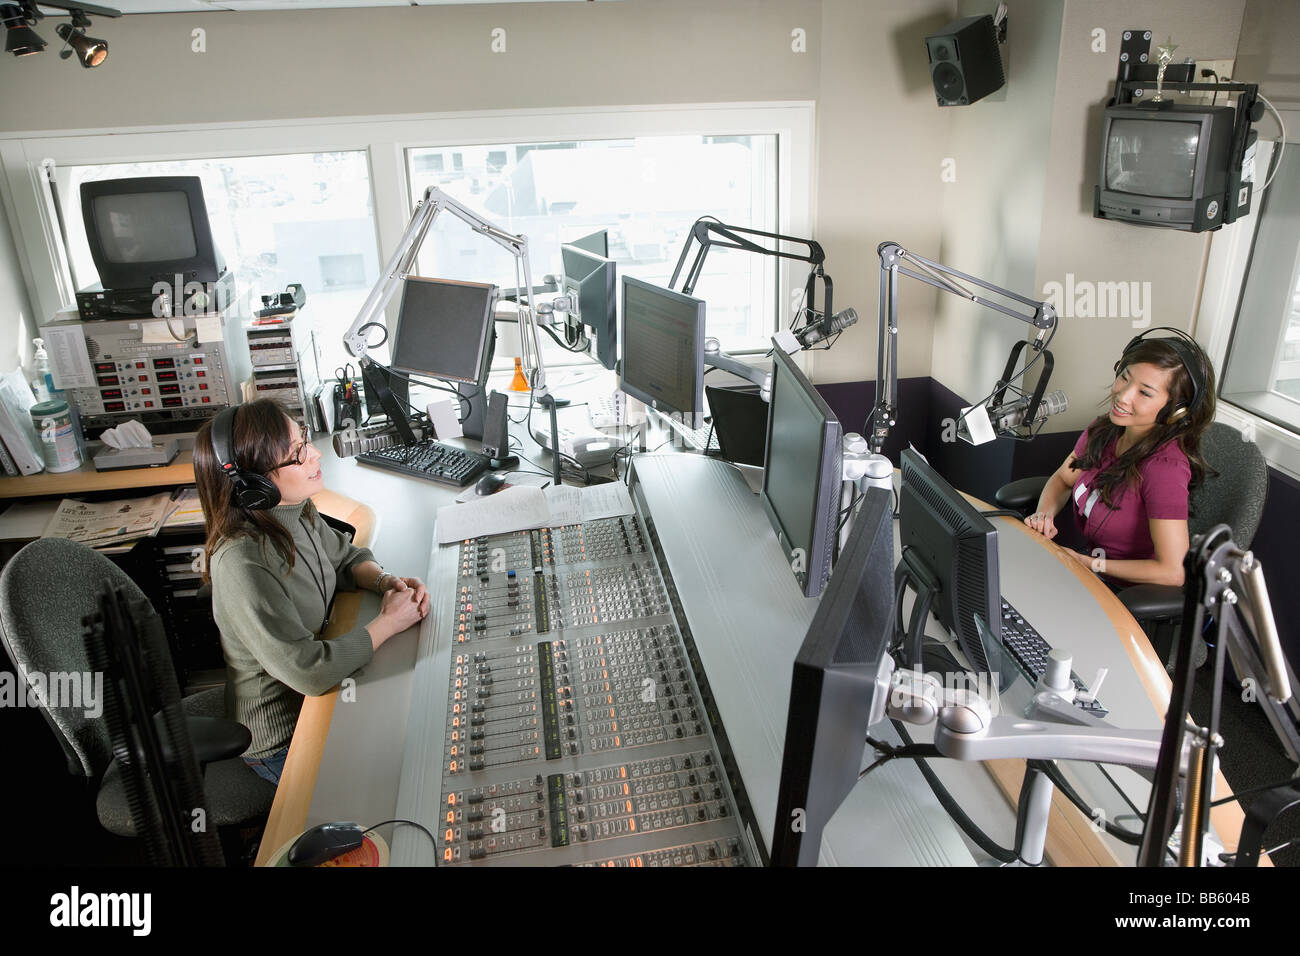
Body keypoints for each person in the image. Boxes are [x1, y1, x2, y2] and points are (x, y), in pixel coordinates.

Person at [194, 400, 429, 784]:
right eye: (297, 453)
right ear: (255, 485)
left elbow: (343, 557)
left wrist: (387, 582)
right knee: (401, 771)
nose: (315, 452)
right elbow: (309, 672)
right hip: (284, 737)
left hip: (319, 698)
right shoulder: (242, 562)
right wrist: (389, 622)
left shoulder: (293, 509)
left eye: (303, 439)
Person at [1024, 329, 1216, 589]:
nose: (1123, 396)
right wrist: (1043, 515)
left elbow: (1173, 572)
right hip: (1088, 576)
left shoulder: (1165, 470)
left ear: (1175, 411)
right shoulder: (1104, 430)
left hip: (1130, 595)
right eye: (1124, 378)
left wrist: (1090, 563)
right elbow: (1063, 479)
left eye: (1144, 393)